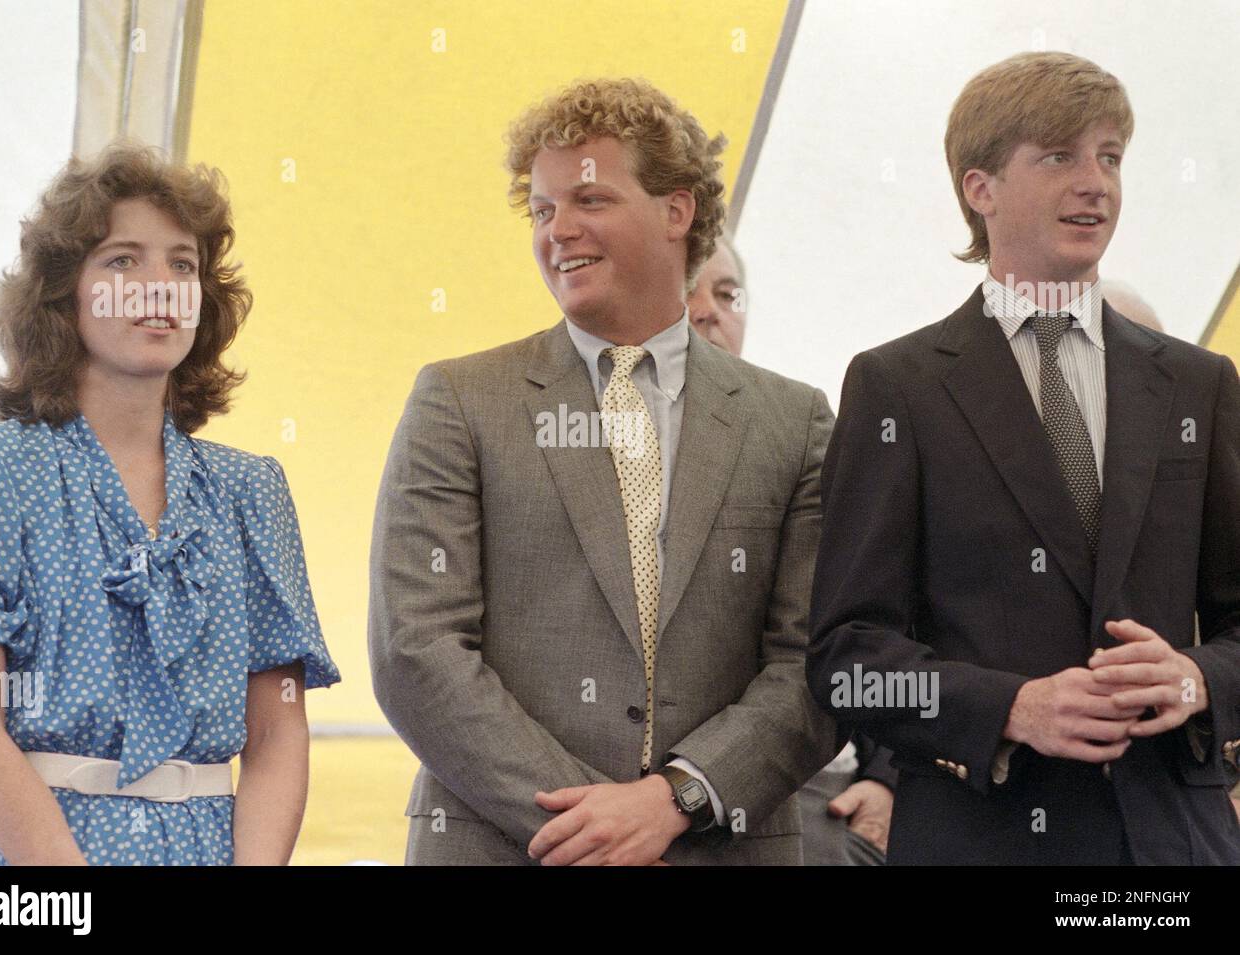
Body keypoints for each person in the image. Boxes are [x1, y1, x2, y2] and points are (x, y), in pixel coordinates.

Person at [370, 77, 839, 865]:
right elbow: (416, 650)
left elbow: (815, 660)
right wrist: (594, 828)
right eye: (543, 209)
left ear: (676, 211)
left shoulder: (794, 420)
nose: (558, 230)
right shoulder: (457, 399)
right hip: (503, 844)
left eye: (587, 201)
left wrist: (676, 800)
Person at [807, 52, 1240, 864]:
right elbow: (846, 657)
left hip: (1173, 846)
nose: (1096, 182)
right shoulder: (896, 385)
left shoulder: (1198, 382)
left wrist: (1196, 680)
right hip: (984, 837)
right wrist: (1011, 708)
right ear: (981, 189)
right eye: (1059, 156)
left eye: (1110, 157)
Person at [0, 142, 340, 865]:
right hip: (42, 858)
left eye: (181, 264)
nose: (158, 285)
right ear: (62, 294)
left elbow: (279, 733)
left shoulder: (252, 489)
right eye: (123, 259)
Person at [688, 238, 897, 862]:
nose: (709, 310)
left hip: (804, 792)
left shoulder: (800, 435)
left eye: (728, 294)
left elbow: (871, 629)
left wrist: (887, 780)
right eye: (689, 290)